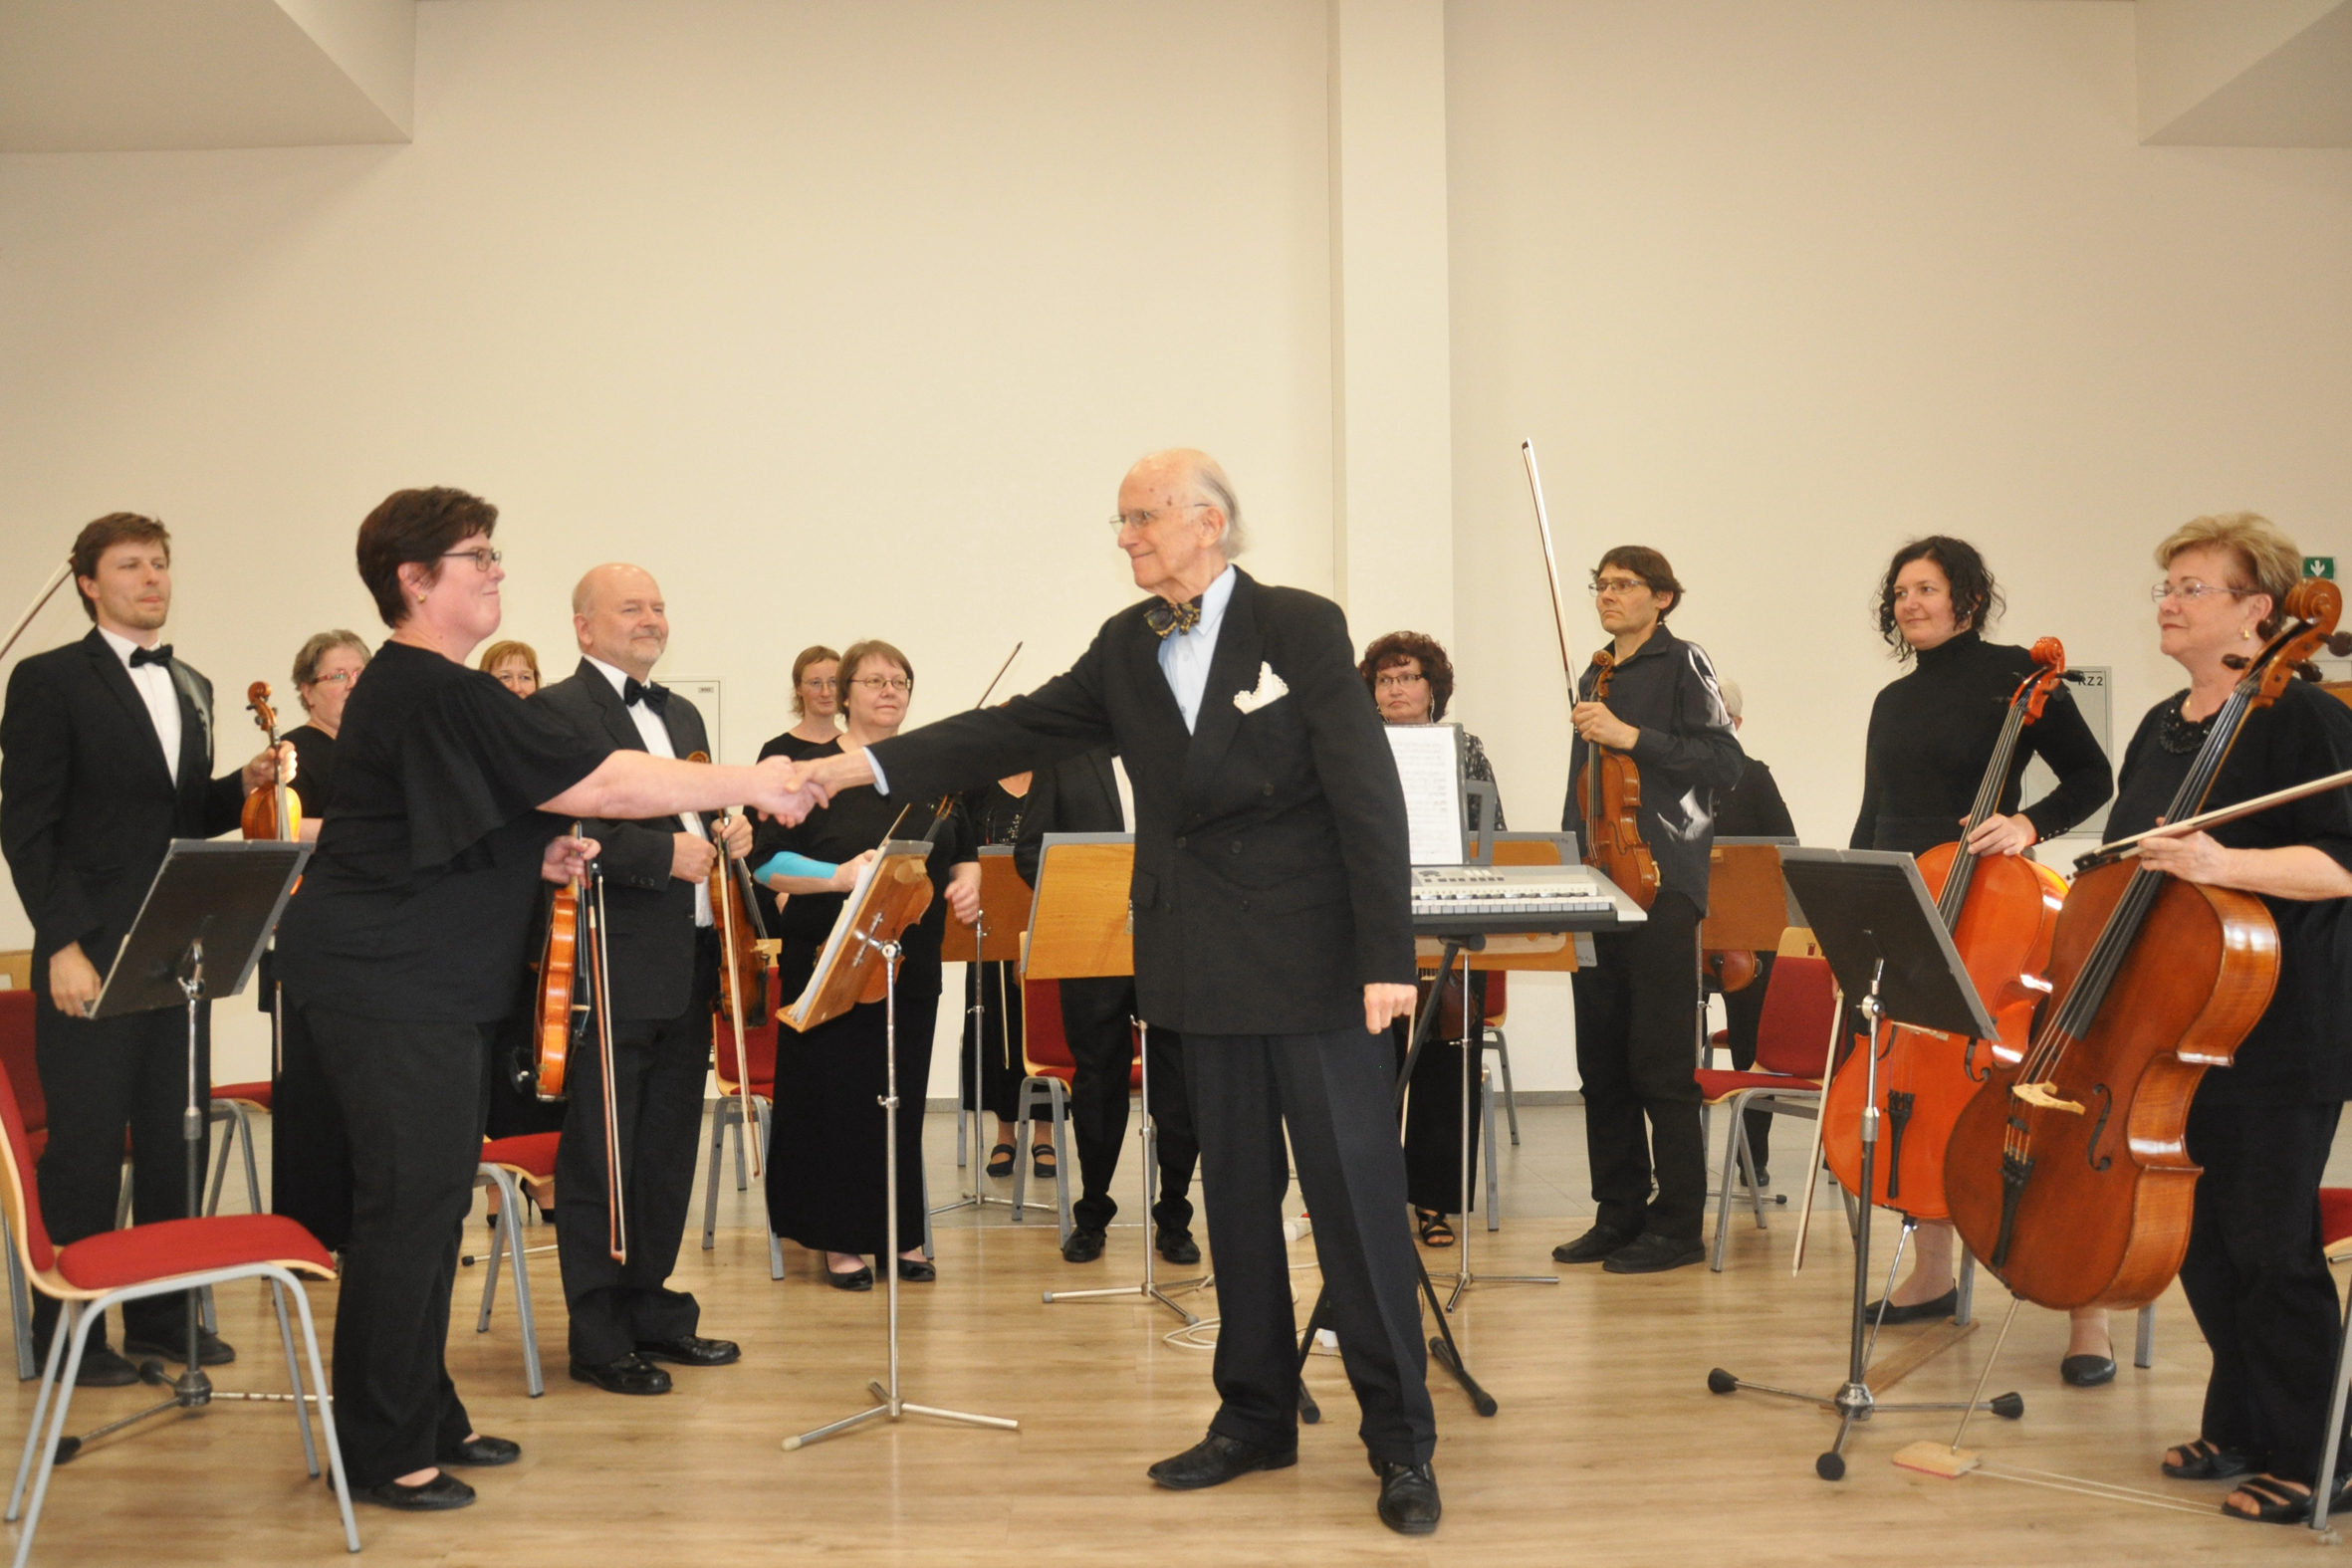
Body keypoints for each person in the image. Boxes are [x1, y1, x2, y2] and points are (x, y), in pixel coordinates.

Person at [788, 449, 1441, 1535]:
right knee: (1229, 1200)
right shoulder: (1123, 647)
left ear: (1210, 525)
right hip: (1196, 962)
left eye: (1142, 518)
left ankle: (1400, 1444)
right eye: (1123, 520)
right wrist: (856, 766)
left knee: (1354, 1207)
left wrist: (1388, 955)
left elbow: (1367, 793)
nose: (1126, 536)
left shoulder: (1300, 626)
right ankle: (1254, 1415)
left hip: (1316, 963)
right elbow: (1005, 729)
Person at [270, 487, 817, 1512]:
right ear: (413, 580)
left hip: (415, 983)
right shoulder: (436, 685)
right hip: (390, 985)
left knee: (427, 1214)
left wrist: (539, 848)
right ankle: (382, 1450)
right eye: (474, 556)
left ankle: (420, 1414)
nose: (495, 569)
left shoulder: (426, 689)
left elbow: (455, 821)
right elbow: (602, 784)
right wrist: (762, 778)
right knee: (407, 1213)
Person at [0, 513, 288, 1387]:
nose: (151, 577)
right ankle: (70, 1337)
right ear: (88, 581)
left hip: (176, 950)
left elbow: (174, 816)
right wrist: (62, 944)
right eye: (130, 565)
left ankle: (165, 1315)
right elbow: (28, 825)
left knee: (175, 1140)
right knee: (87, 1145)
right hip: (92, 949)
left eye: (160, 563)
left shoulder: (193, 682)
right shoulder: (48, 679)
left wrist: (237, 788)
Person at [2128, 515, 2352, 1526]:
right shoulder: (2159, 724)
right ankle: (2243, 1421)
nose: (2168, 602)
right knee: (2201, 1243)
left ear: (2259, 610)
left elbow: (2340, 862)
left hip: (2279, 1019)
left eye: (2191, 585)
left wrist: (2224, 864)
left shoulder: (2302, 720)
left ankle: (2323, 1456)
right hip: (2174, 1017)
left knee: (2271, 1244)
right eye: (2164, 586)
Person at [1848, 537, 2116, 1380]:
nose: (1909, 603)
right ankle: (1931, 1272)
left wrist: (2028, 826)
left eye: (1925, 588)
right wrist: (1856, 917)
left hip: (1994, 912)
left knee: (2047, 1100)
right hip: (1915, 907)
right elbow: (1873, 813)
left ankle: (2088, 1314)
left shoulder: (2016, 676)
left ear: (1965, 596)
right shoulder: (1893, 701)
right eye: (1899, 592)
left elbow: (2092, 776)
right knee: (1920, 1090)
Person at [533, 564, 750, 1396]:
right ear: (585, 627)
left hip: (689, 959)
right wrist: (668, 852)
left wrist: (725, 826)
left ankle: (654, 1306)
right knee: (602, 1152)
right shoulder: (557, 711)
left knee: (664, 1148)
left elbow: (683, 808)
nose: (652, 618)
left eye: (659, 605)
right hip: (612, 958)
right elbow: (559, 822)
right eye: (632, 607)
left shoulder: (683, 711)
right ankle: (597, 1329)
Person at [752, 639, 981, 1289]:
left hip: (908, 961)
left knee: (900, 1100)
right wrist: (838, 875)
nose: (889, 690)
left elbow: (957, 848)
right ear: (843, 692)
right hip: (829, 957)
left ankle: (901, 1232)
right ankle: (840, 1238)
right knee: (839, 1099)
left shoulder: (928, 771)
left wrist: (967, 882)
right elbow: (765, 862)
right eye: (875, 680)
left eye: (900, 681)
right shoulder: (811, 768)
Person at [1551, 548, 1745, 1276]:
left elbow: (1725, 761)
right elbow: (1584, 782)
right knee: (1600, 1063)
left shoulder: (1684, 661)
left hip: (1663, 881)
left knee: (1660, 1063)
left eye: (1623, 585)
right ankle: (1618, 1211)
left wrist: (1632, 736)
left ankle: (1677, 1224)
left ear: (1661, 597)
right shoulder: (1594, 672)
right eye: (1600, 585)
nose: (1608, 595)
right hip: (1596, 878)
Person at [1012, 746, 1200, 1266]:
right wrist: (1083, 894)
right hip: (1092, 949)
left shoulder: (1184, 748)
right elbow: (1031, 851)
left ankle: (1176, 1216)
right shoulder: (1063, 760)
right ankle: (1092, 1214)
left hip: (1175, 945)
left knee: (1181, 1081)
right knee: (1096, 1081)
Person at [1359, 630, 1504, 1248]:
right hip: (1367, 924)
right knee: (1367, 1066)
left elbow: (1491, 830)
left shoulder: (1465, 749)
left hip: (1441, 918)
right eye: (1385, 679)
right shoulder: (1351, 747)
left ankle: (1435, 1202)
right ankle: (1370, 1200)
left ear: (1432, 688)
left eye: (1408, 677)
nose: (1396, 688)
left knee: (1445, 1061)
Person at [268, 629, 371, 1254]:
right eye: (339, 675)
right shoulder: (294, 752)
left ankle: (361, 1229)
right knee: (313, 1097)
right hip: (312, 937)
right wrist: (364, 832)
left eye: (362, 672)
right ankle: (310, 1235)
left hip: (370, 941)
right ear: (307, 690)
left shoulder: (374, 750)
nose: (354, 684)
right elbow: (281, 825)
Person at [1709, 677, 1794, 1185]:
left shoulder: (1754, 777)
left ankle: (1751, 1156)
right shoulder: (1669, 778)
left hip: (1744, 935)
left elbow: (1784, 848)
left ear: (1736, 725)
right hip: (1686, 932)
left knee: (1750, 1036)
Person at [958, 770, 1050, 1184]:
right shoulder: (977, 788)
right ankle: (1005, 1134)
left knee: (1043, 1028)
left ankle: (1045, 1134)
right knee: (994, 1026)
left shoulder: (1054, 782)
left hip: (1043, 922)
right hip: (988, 927)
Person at [768, 645, 843, 759]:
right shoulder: (776, 751)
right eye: (815, 683)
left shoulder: (854, 752)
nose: (825, 692)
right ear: (798, 688)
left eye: (833, 682)